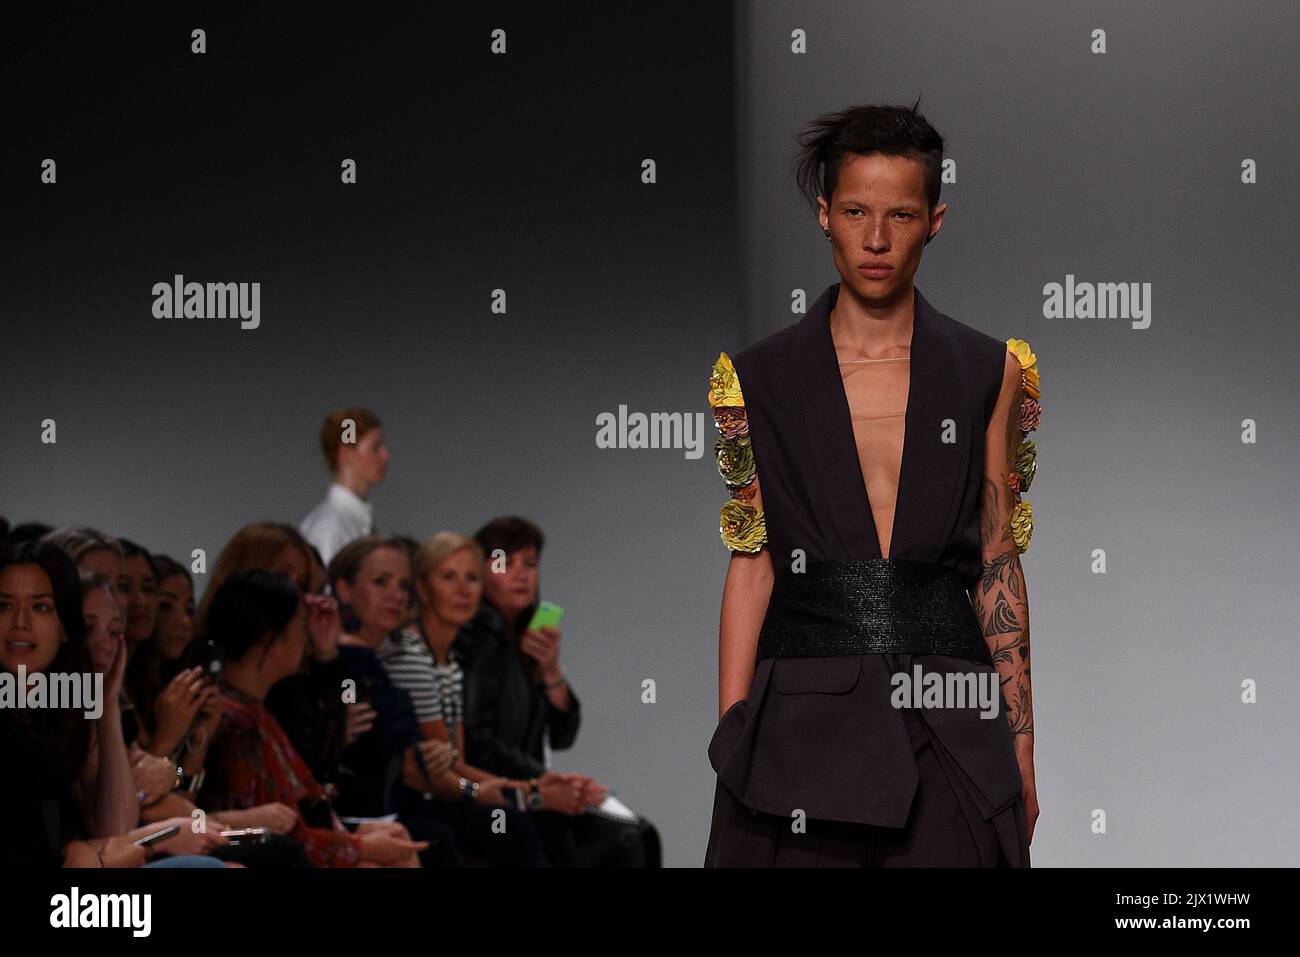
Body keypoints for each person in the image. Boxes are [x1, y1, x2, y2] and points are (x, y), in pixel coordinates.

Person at [703, 101, 1041, 867]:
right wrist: (733, 729)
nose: (877, 238)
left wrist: (1020, 746)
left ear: (936, 220)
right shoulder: (761, 378)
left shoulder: (988, 369)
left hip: (949, 718)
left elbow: (997, 564)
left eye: (901, 214)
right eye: (856, 211)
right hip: (796, 721)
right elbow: (753, 556)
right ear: (825, 215)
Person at [454, 517, 661, 867]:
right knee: (628, 840)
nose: (521, 574)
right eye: (505, 561)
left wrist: (550, 671)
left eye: (530, 564)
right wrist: (546, 783)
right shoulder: (479, 640)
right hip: (500, 796)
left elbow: (563, 734)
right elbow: (477, 742)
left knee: (632, 836)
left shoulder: (520, 644)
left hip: (525, 788)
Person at [198, 568, 428, 867]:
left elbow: (302, 811)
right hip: (267, 854)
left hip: (290, 845)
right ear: (272, 637)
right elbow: (267, 836)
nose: (306, 637)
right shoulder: (234, 720)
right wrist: (359, 846)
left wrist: (353, 834)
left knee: (396, 838)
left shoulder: (254, 710)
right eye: (300, 626)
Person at [379, 531, 549, 866]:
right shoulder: (409, 654)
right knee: (510, 824)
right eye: (448, 577)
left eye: (472, 578)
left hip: (440, 797)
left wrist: (526, 786)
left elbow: (455, 760)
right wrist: (525, 791)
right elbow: (435, 772)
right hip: (405, 805)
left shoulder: (450, 661)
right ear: (424, 589)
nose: (463, 590)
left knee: (530, 822)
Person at [300, 407, 390, 565]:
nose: (385, 455)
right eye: (375, 447)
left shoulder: (352, 520)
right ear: (346, 453)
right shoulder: (330, 526)